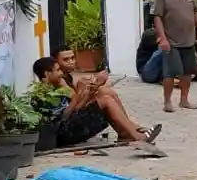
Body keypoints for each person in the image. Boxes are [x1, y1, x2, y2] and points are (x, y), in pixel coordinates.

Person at [29, 57, 164, 156]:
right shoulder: (43, 94)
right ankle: (137, 137)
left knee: (104, 95)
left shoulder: (58, 85)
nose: (61, 73)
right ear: (47, 74)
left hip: (67, 127)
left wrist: (89, 93)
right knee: (105, 100)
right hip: (60, 135)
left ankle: (125, 133)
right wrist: (78, 97)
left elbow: (75, 111)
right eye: (57, 70)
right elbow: (63, 117)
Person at [152, 0, 197, 113]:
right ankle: (167, 102)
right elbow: (157, 17)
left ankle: (184, 100)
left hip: (189, 40)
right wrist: (162, 38)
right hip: (171, 41)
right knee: (169, 73)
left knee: (187, 72)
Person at [53, 45, 135, 120]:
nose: (71, 62)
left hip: (76, 110)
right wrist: (93, 83)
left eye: (73, 58)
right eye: (66, 60)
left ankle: (128, 125)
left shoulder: (68, 76)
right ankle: (127, 126)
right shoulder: (60, 80)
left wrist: (92, 83)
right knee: (105, 93)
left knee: (104, 90)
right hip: (72, 118)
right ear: (56, 62)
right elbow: (76, 106)